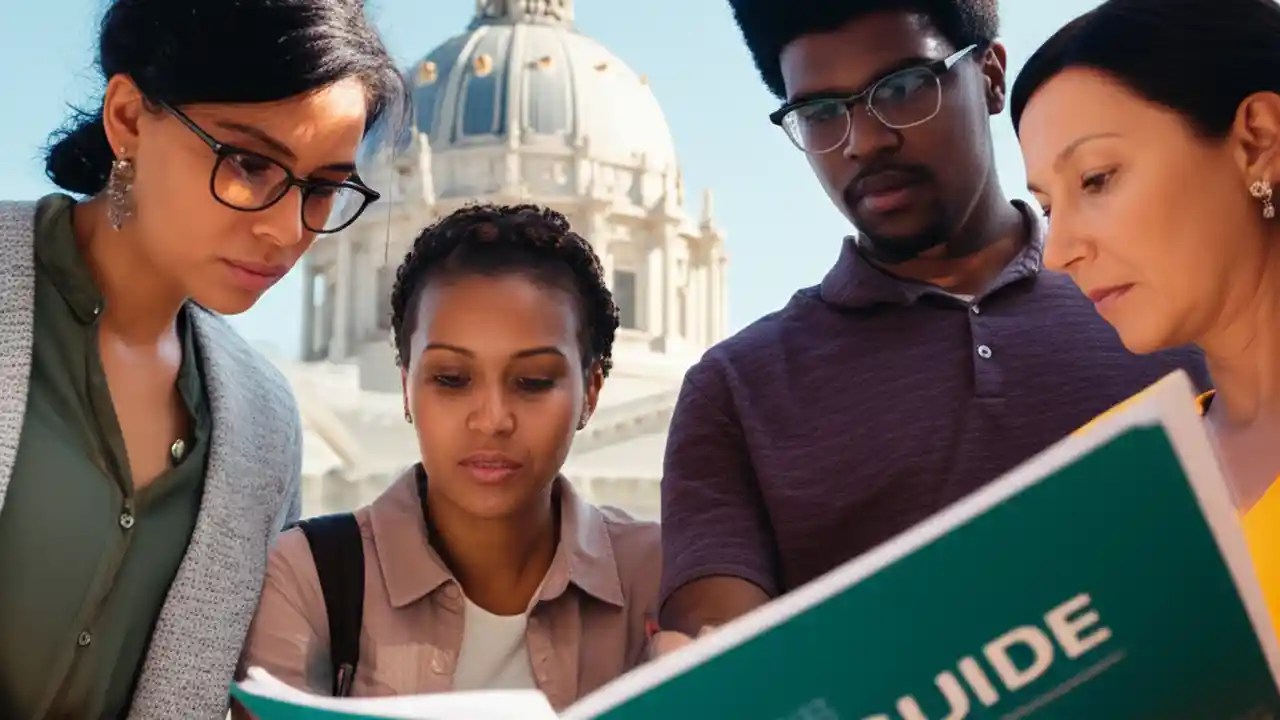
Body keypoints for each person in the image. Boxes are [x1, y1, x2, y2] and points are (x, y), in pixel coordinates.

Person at [653, 0, 1211, 650]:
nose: (864, 141)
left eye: (903, 88)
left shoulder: (1169, 305)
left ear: (991, 78)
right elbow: (729, 664)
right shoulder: (735, 391)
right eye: (821, 113)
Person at [0, 0, 404, 717]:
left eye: (322, 189)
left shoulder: (266, 423)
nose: (286, 229)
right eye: (248, 163)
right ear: (128, 118)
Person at [237, 204, 661, 711]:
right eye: (451, 379)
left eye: (533, 381)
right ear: (406, 387)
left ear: (591, 391)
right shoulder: (307, 577)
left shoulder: (663, 579)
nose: (492, 420)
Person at [1012, 0, 1280, 638]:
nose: (1057, 253)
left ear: (1259, 141)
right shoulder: (1102, 478)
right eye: (1047, 208)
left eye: (1096, 179)